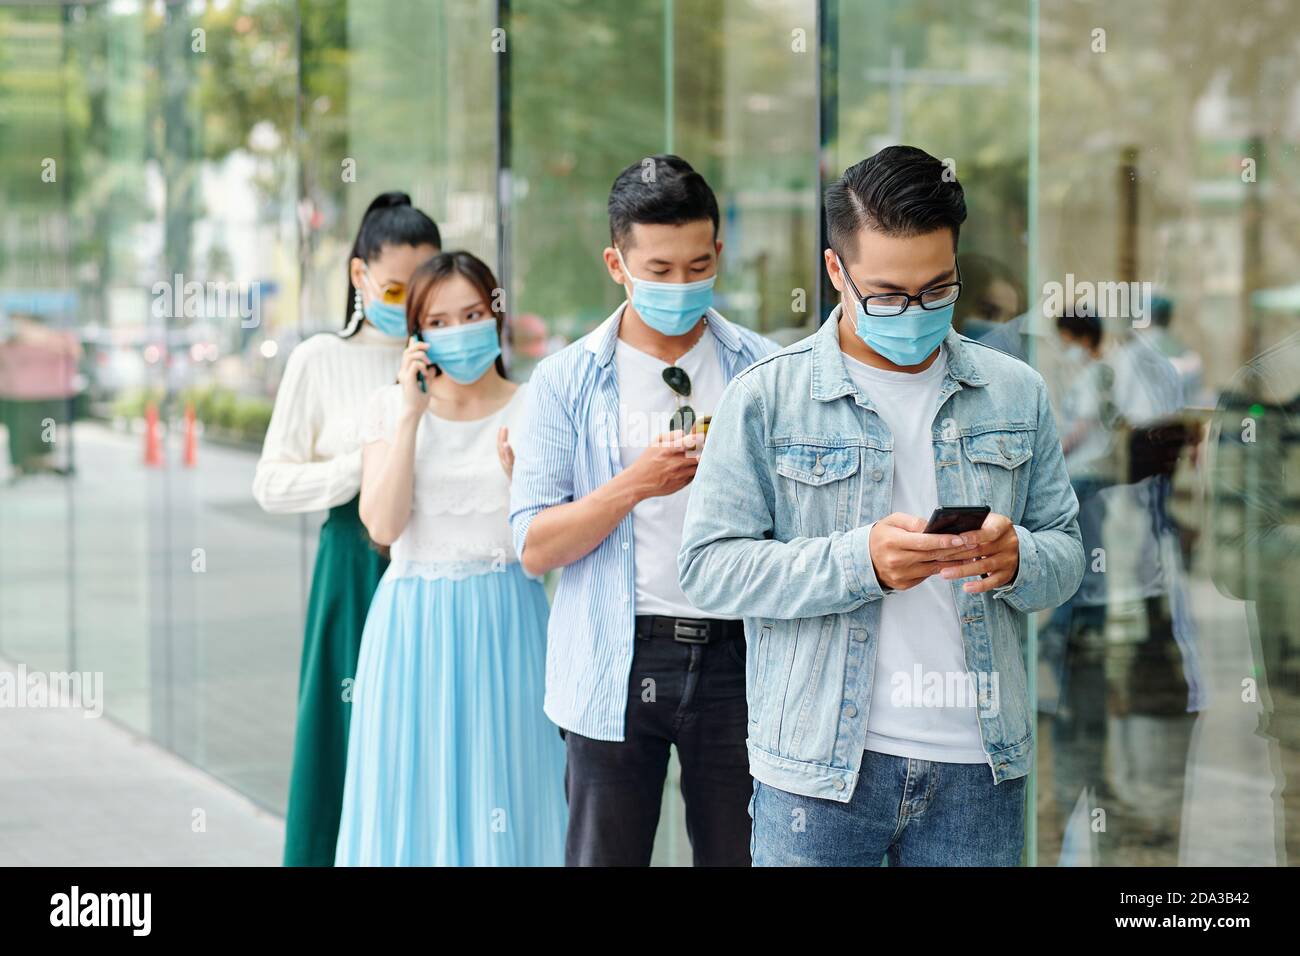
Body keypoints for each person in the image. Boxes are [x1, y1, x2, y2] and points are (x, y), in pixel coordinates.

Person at [678, 145, 1084, 866]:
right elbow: (710, 569)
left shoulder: (1015, 391)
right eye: (888, 295)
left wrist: (1019, 555)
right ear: (836, 272)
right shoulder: (768, 397)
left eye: (938, 290)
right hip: (819, 775)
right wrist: (858, 560)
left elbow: (1068, 553)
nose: (915, 312)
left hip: (978, 771)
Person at [509, 155, 775, 866]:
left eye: (697, 265)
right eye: (658, 270)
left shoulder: (765, 369)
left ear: (719, 252)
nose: (680, 285)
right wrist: (634, 483)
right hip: (614, 656)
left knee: (743, 855)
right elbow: (535, 545)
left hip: (739, 655)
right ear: (616, 263)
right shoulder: (565, 381)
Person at [334, 251, 566, 866]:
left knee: (510, 786)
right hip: (411, 626)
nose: (457, 331)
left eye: (471, 314)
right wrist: (411, 416)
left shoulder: (536, 403)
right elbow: (382, 527)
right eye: (438, 321)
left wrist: (523, 488)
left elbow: (545, 551)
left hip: (508, 620)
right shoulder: (389, 409)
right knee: (411, 793)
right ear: (415, 334)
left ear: (496, 316)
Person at [252, 192, 441, 867]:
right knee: (344, 732)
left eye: (423, 284)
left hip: (439, 567)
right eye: (394, 285)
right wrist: (361, 469)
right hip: (353, 566)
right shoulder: (320, 360)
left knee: (429, 742)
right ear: (359, 276)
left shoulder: (451, 355)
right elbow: (270, 482)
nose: (409, 299)